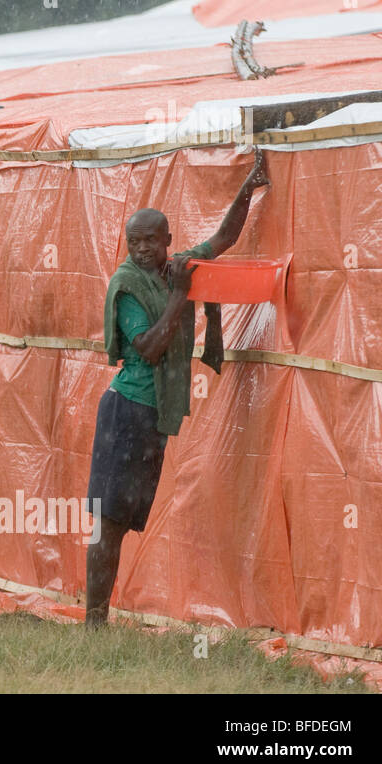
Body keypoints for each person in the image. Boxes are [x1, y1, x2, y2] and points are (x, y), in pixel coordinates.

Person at [85, 152, 270, 628]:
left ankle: (99, 619)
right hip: (125, 412)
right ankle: (93, 622)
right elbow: (147, 347)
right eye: (134, 241)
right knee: (108, 523)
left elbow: (224, 238)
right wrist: (180, 296)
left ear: (168, 241)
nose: (143, 248)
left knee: (124, 520)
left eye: (151, 240)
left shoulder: (178, 268)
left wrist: (251, 184)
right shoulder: (127, 283)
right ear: (126, 244)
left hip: (152, 418)